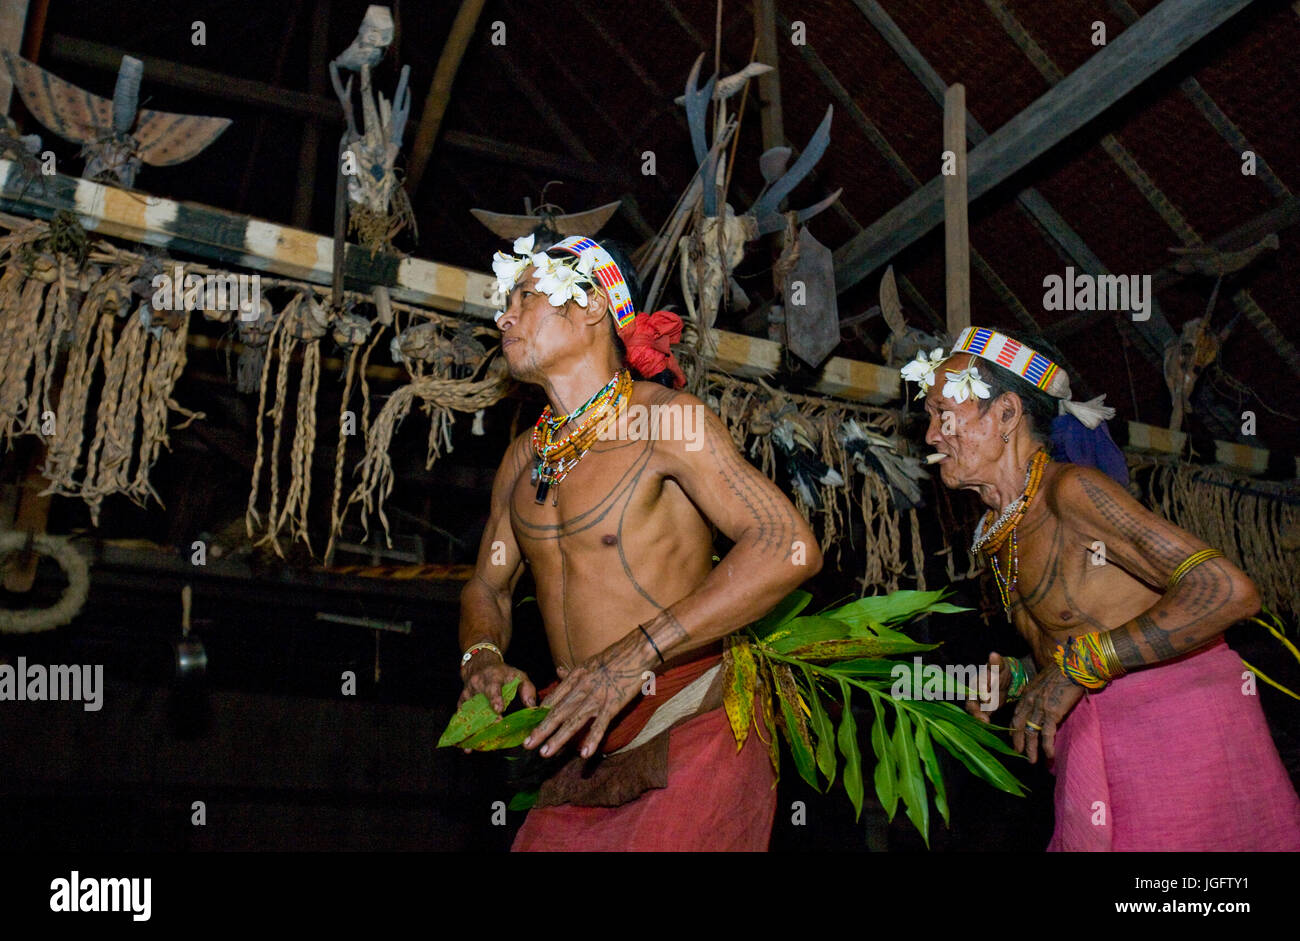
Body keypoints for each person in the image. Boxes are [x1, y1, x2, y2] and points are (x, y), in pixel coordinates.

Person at [457, 234, 822, 851]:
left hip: (691, 725)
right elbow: (488, 584)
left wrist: (634, 656)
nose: (504, 315)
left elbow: (788, 545)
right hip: (580, 742)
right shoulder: (523, 461)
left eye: (525, 296)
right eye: (505, 300)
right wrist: (483, 656)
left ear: (593, 307)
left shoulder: (671, 423)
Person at [902, 325, 1300, 851]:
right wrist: (1022, 675)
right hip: (1104, 741)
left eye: (943, 414)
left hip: (1179, 734)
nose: (931, 435)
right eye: (930, 417)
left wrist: (1076, 667)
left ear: (1005, 416)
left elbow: (1227, 590)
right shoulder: (997, 532)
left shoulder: (1074, 492)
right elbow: (1079, 636)